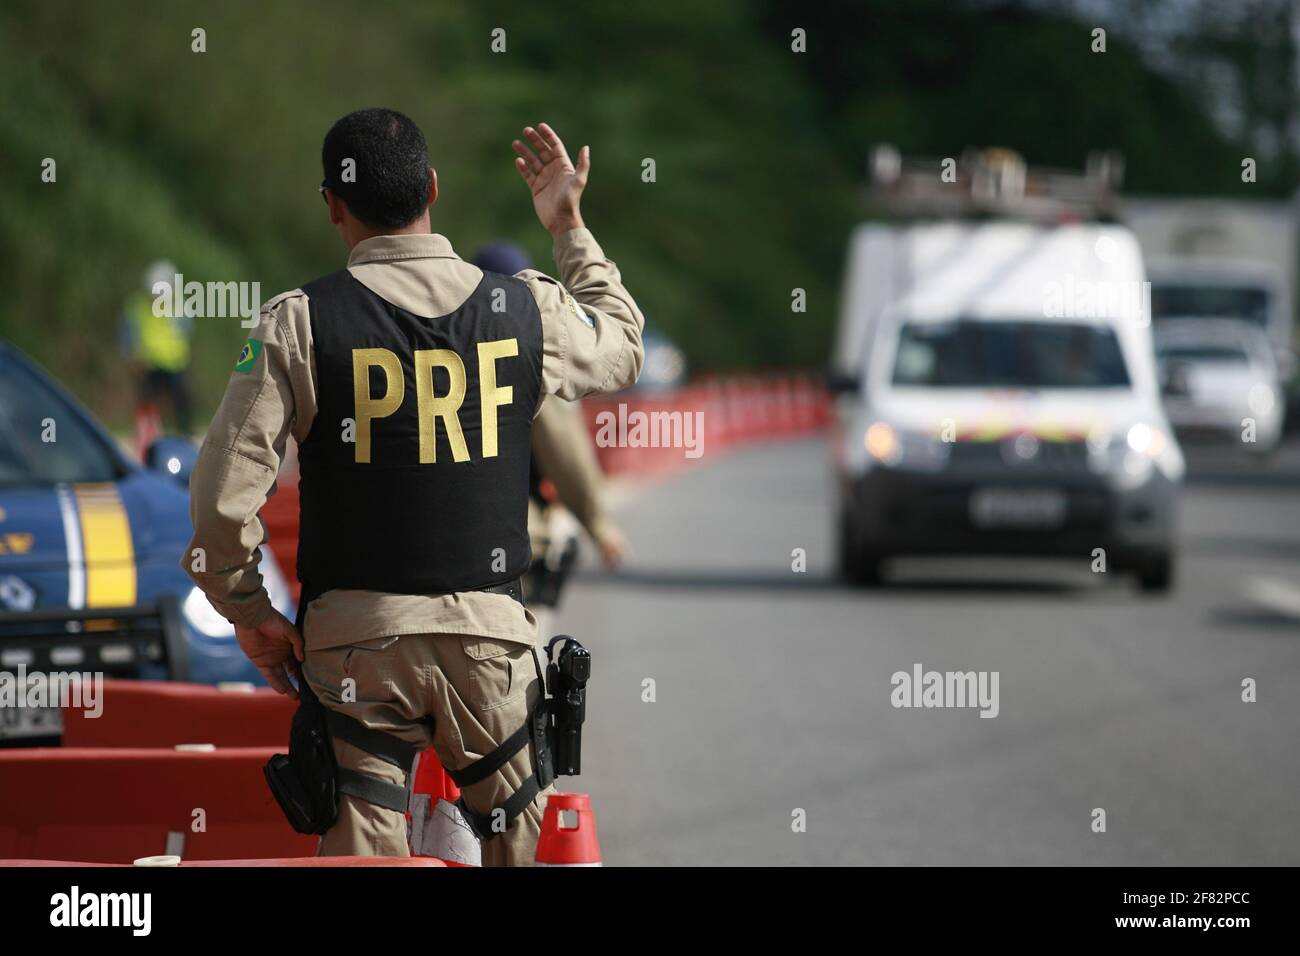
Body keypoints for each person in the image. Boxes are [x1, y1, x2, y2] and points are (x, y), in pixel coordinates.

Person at [183, 108, 644, 865]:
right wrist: (568, 227)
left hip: (358, 651)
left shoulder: (298, 324)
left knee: (364, 848)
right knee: (522, 840)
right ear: (434, 187)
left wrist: (249, 610)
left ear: (332, 204)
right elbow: (623, 346)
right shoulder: (523, 307)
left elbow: (219, 500)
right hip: (492, 648)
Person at [472, 241, 629, 585]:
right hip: (511, 537)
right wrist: (598, 524)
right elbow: (565, 453)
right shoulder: (528, 350)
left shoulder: (443, 335)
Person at [120, 259, 194, 437]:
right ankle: (146, 437)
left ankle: (184, 435)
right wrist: (131, 355)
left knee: (182, 402)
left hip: (175, 362)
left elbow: (187, 329)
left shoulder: (179, 304)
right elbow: (127, 332)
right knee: (147, 404)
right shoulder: (137, 305)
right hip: (148, 363)